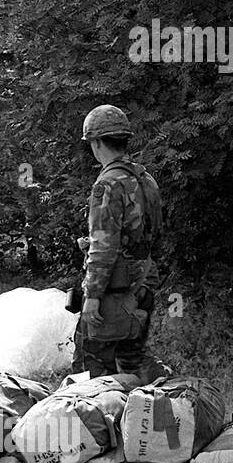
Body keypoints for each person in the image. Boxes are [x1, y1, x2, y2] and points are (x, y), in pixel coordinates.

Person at [72, 105, 166, 383]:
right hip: (144, 282)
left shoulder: (107, 184)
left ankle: (100, 425)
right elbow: (153, 234)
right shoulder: (146, 179)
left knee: (90, 373)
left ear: (97, 142)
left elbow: (104, 248)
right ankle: (148, 418)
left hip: (115, 290)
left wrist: (93, 296)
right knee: (132, 361)